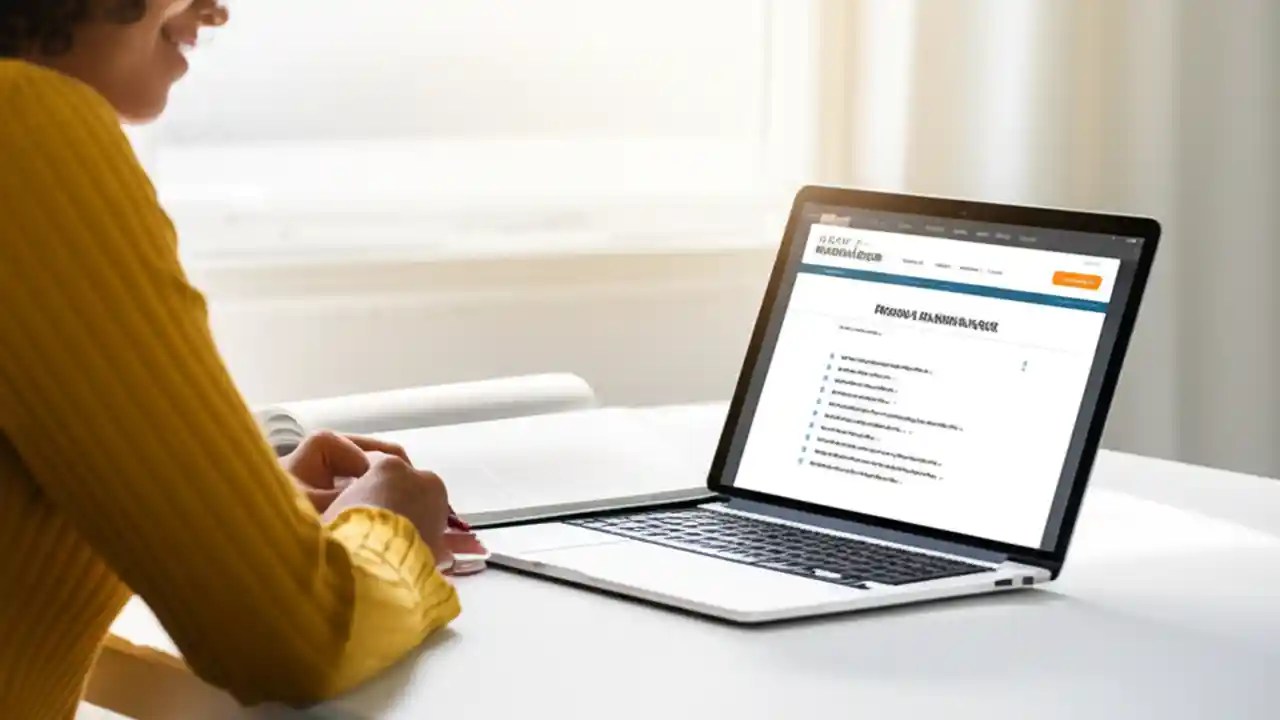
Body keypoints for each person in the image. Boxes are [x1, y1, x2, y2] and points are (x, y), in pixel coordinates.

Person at [0, 1, 472, 716]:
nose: (216, 12)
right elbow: (291, 639)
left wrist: (231, 515)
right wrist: (393, 526)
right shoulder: (24, 132)